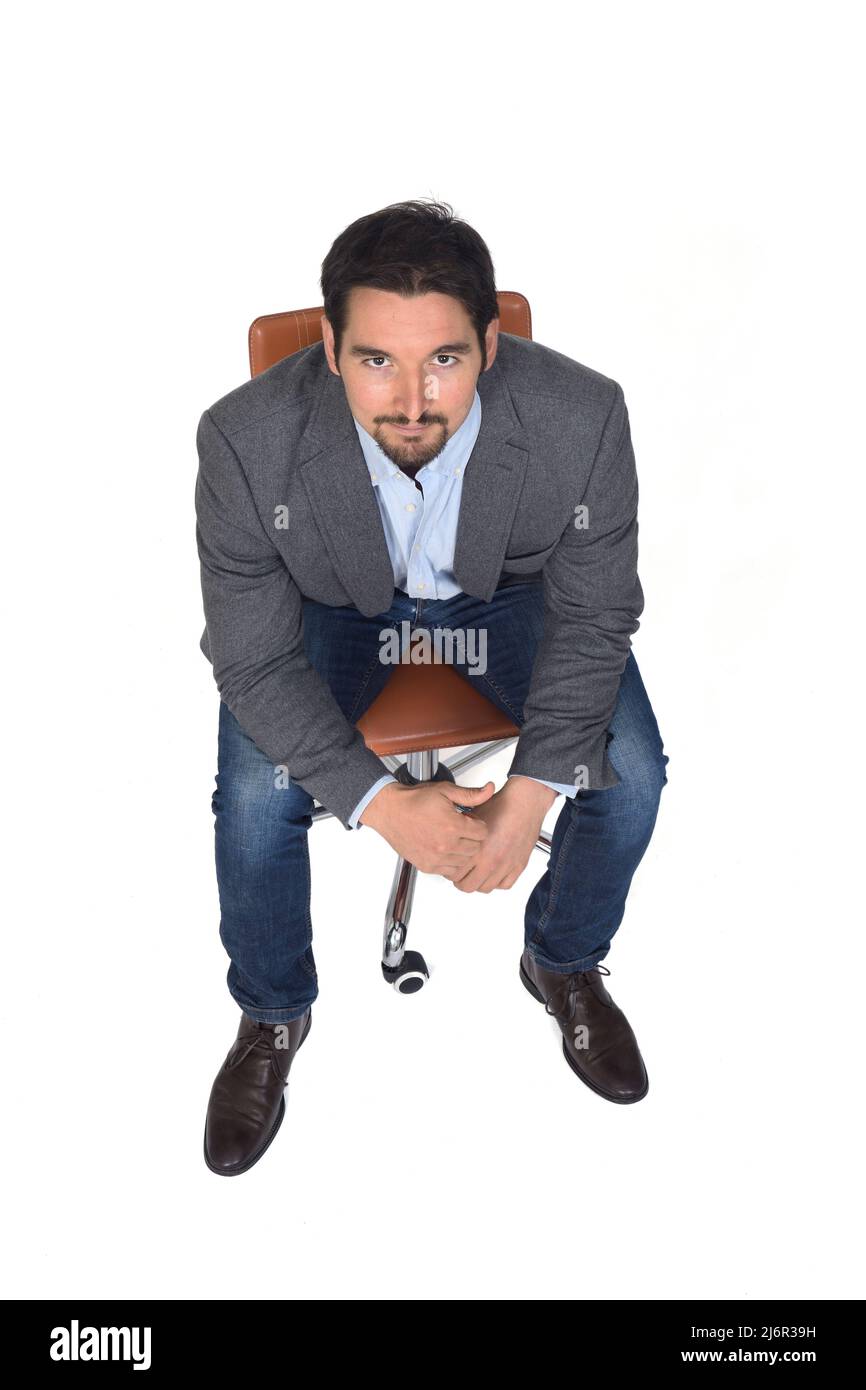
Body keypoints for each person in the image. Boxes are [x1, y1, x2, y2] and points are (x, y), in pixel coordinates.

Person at [195, 199, 670, 1176]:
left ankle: (562, 958)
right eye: (376, 359)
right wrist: (379, 803)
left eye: (442, 360)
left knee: (631, 771)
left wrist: (531, 790)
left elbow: (592, 618)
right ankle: (272, 1013)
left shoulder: (583, 416)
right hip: (336, 615)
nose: (410, 399)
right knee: (251, 794)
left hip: (506, 606)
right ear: (329, 349)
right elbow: (250, 656)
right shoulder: (244, 439)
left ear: (490, 346)